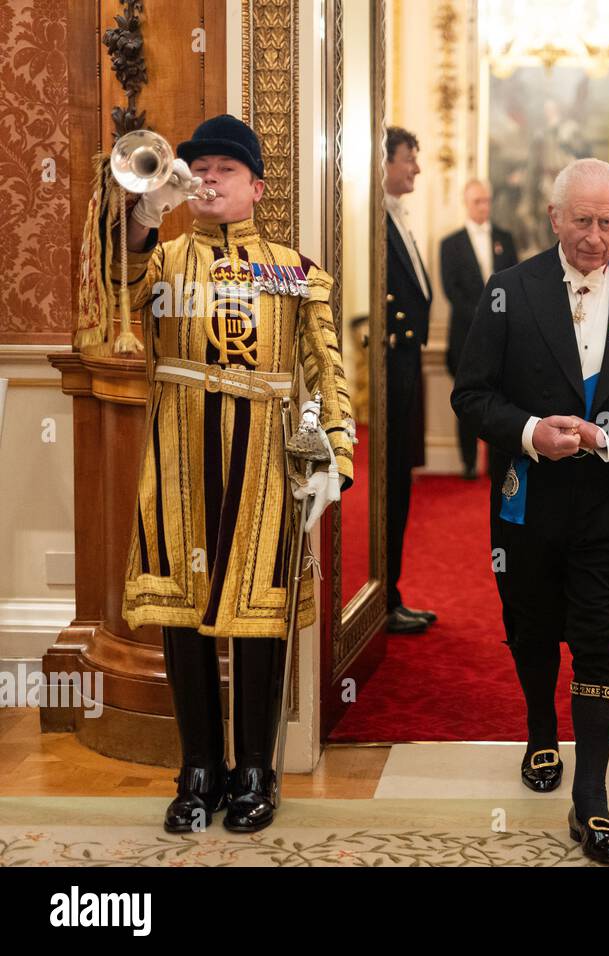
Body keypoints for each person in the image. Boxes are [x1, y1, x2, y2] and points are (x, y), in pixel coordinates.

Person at [108, 114, 354, 832]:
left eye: (224, 170)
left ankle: (254, 769)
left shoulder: (296, 271)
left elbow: (320, 377)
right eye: (199, 168)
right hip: (180, 456)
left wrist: (328, 456)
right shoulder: (164, 260)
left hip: (267, 463)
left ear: (256, 187)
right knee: (181, 614)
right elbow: (111, 296)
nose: (208, 179)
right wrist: (143, 215)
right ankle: (197, 769)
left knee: (258, 615)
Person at [451, 158, 609, 864]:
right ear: (554, 219)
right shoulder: (507, 292)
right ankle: (538, 728)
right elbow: (473, 396)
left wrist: (606, 436)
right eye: (580, 220)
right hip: (529, 504)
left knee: (600, 637)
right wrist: (530, 433)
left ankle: (592, 798)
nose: (593, 236)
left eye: (606, 221)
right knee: (529, 626)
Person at [382, 126, 438, 634]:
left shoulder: (397, 218)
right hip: (387, 372)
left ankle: (390, 594)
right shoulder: (376, 223)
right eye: (409, 160)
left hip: (407, 367)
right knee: (389, 486)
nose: (416, 169)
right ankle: (383, 600)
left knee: (400, 483)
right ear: (386, 163)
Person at [441, 178, 520, 478]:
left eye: (487, 200)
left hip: (503, 335)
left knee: (502, 399)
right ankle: (468, 462)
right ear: (466, 202)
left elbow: (513, 282)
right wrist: (481, 316)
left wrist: (498, 316)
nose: (484, 206)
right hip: (465, 334)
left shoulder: (505, 238)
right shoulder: (450, 243)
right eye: (478, 201)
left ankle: (495, 461)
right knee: (468, 399)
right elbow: (452, 290)